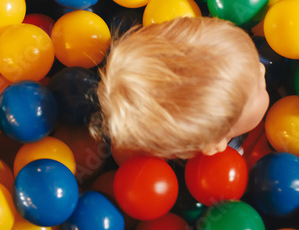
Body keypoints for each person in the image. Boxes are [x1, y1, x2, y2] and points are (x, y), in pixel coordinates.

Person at [94, 17, 270, 161]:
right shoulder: (248, 162)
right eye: (258, 87)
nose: (262, 69)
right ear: (216, 144)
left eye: (254, 63)